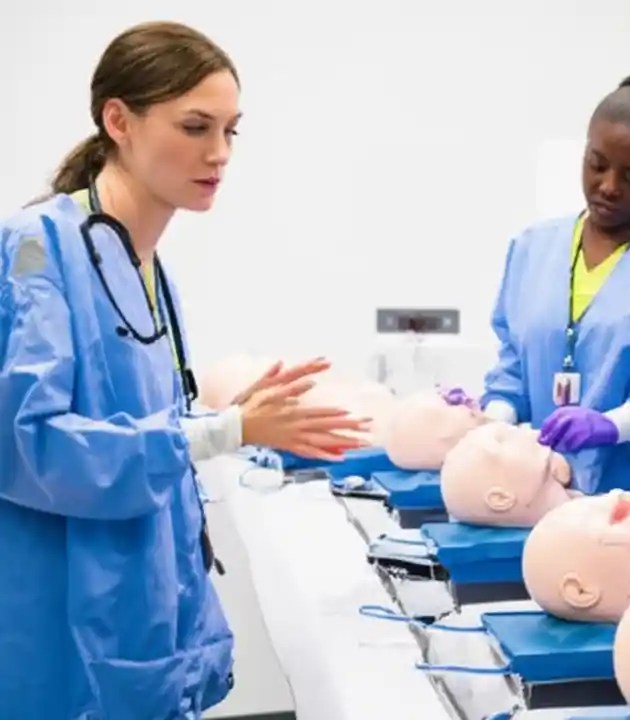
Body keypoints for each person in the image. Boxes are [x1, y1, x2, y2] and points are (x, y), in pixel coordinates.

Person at [0, 22, 362, 718]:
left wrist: (233, 421)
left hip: (137, 604)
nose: (219, 153)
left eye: (231, 131)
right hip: (61, 631)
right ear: (119, 120)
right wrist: (220, 432)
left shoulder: (142, 261)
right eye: (196, 127)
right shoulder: (37, 253)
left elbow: (133, 425)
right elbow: (29, 444)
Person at [457, 74, 630, 498]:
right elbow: (515, 360)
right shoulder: (533, 248)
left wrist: (615, 424)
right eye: (597, 163)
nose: (609, 186)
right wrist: (491, 420)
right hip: (536, 498)